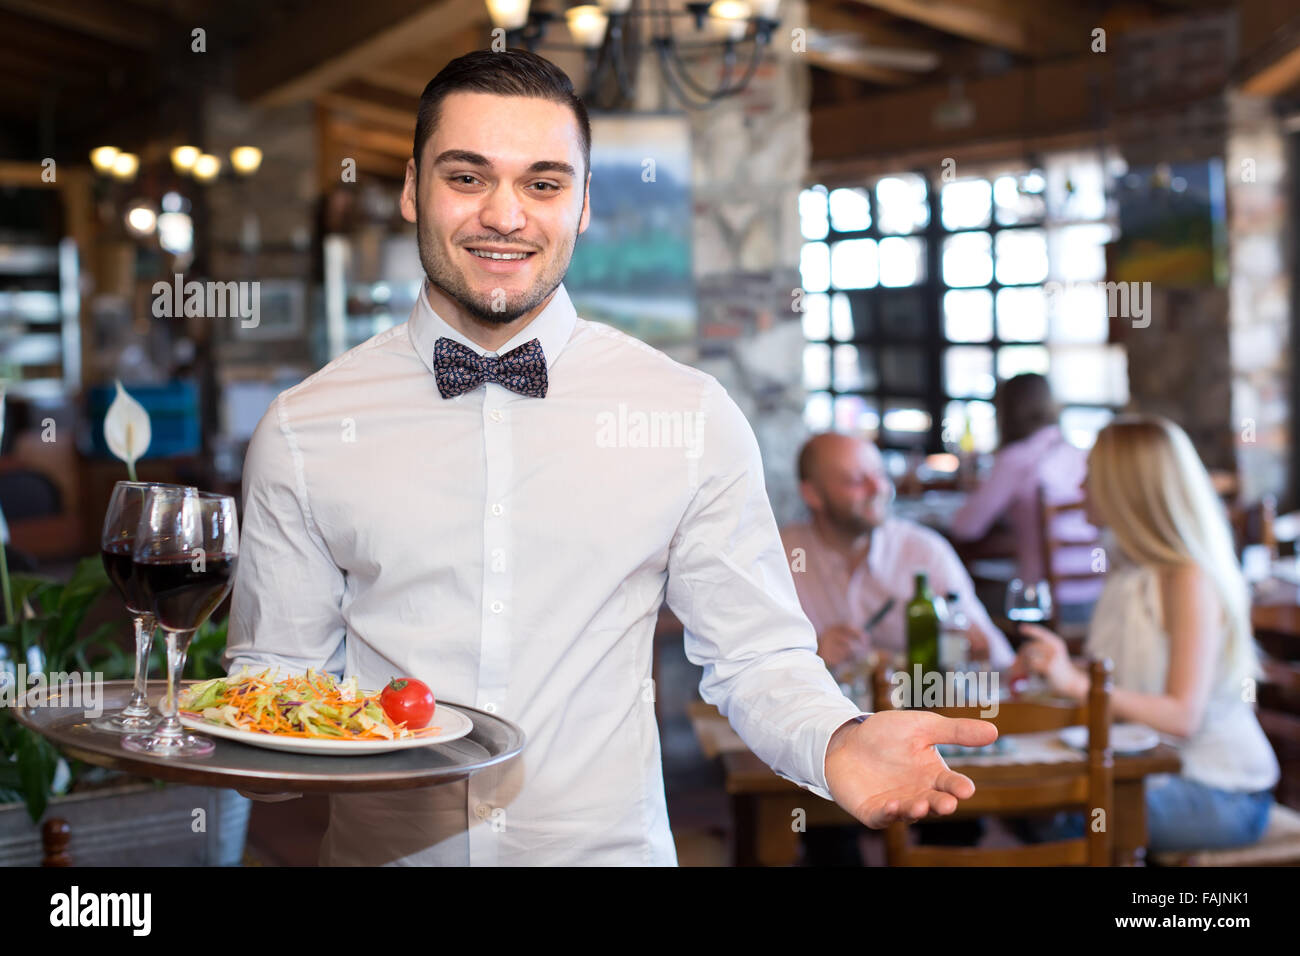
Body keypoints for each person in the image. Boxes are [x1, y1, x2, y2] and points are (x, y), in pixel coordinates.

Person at [225, 49, 995, 865]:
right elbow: (274, 700)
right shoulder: (304, 428)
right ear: (414, 188)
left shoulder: (687, 416)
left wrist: (836, 741)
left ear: (585, 203)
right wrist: (222, 738)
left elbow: (757, 655)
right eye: (467, 177)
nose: (506, 215)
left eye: (544, 184)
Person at [1015, 416, 1279, 852]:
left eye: (1091, 474)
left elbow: (1181, 715)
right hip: (1152, 773)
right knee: (1037, 812)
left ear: (1126, 489)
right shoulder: (1127, 568)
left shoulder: (1187, 578)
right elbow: (1130, 676)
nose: (1080, 486)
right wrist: (1059, 665)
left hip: (1219, 790)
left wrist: (1080, 684)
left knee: (1057, 822)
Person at [780, 432, 1016, 673]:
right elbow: (751, 667)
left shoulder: (924, 552)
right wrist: (812, 656)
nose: (879, 488)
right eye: (855, 480)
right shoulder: (783, 557)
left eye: (880, 475)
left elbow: (999, 660)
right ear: (813, 495)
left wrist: (977, 653)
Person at [948, 373, 1101, 618]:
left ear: (1006, 411)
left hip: (1041, 602)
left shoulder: (1016, 459)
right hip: (1096, 598)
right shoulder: (1080, 455)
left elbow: (965, 528)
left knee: (966, 601)